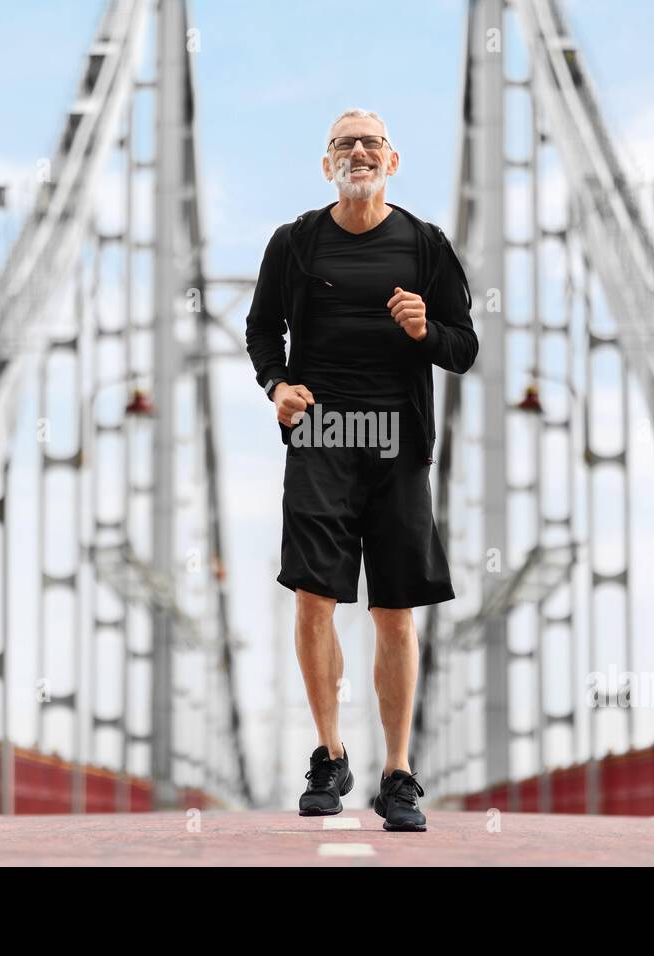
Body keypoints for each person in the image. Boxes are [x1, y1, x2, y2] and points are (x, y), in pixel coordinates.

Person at [244, 108, 478, 831]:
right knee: (313, 598)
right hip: (321, 438)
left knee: (394, 611)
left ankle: (399, 773)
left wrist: (425, 330)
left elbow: (464, 347)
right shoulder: (294, 243)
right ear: (326, 165)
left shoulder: (427, 246)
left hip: (398, 447)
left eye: (371, 141)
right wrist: (277, 385)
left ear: (393, 160)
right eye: (344, 143)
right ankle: (329, 753)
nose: (358, 151)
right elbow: (261, 330)